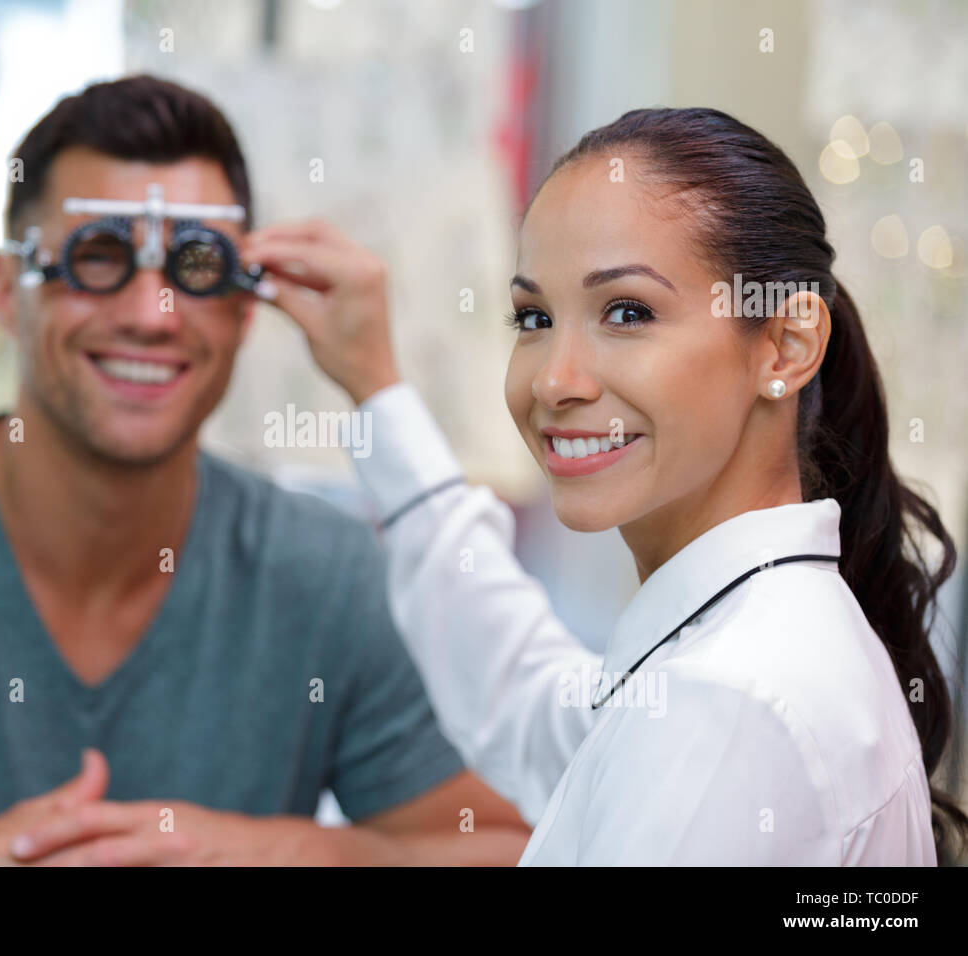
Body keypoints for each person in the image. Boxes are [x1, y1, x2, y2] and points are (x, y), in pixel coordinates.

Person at [0, 75, 529, 865]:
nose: (152, 314)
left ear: (244, 308)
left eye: (196, 266)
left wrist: (278, 854)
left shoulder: (324, 575)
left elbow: (499, 846)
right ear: (7, 292)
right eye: (97, 259)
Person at [243, 107, 968, 865]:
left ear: (785, 346)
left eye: (628, 311)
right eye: (533, 317)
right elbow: (527, 702)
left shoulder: (726, 706)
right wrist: (374, 384)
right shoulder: (726, 661)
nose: (554, 380)